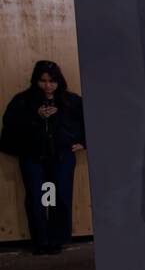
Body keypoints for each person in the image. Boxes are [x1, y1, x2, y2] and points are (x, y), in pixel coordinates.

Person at [1, 61, 85, 255]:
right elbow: (10, 126)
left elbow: (89, 120)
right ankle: (41, 241)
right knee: (36, 198)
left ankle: (56, 240)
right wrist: (35, 116)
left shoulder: (71, 101)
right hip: (33, 157)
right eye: (43, 81)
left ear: (59, 81)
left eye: (52, 81)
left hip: (61, 157)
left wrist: (83, 142)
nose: (48, 86)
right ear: (36, 81)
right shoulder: (23, 101)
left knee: (59, 197)